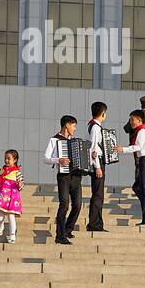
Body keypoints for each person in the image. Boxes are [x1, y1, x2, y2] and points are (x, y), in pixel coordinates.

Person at [44, 114, 82, 245]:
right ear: (67, 125)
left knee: (77, 205)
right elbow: (46, 158)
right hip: (64, 176)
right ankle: (60, 235)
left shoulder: (75, 142)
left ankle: (67, 229)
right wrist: (58, 160)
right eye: (74, 125)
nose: (75, 129)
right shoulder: (54, 140)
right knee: (64, 205)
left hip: (76, 176)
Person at [114, 109, 145, 227]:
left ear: (139, 120)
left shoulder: (142, 132)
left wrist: (123, 149)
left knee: (144, 189)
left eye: (132, 119)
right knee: (137, 187)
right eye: (130, 119)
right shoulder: (142, 131)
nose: (131, 122)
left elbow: (137, 147)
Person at [0, 150, 24, 244]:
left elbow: (22, 184)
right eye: (5, 158)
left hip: (12, 198)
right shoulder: (1, 171)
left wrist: (20, 184)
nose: (6, 160)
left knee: (11, 216)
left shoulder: (17, 172)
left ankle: (12, 235)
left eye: (9, 159)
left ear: (15, 160)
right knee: (0, 217)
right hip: (1, 197)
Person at [86, 102, 109, 232]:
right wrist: (98, 167)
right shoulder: (95, 127)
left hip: (97, 162)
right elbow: (93, 148)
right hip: (97, 163)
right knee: (98, 195)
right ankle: (95, 224)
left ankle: (96, 223)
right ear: (103, 113)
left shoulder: (91, 125)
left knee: (98, 194)